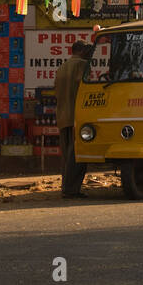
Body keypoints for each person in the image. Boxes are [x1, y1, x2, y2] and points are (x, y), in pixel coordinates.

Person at [55, 39, 93, 198]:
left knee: (66, 155)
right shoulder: (82, 65)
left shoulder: (62, 67)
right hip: (76, 116)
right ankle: (71, 189)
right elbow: (85, 88)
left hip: (62, 116)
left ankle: (66, 187)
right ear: (82, 51)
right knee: (76, 155)